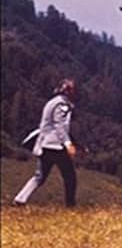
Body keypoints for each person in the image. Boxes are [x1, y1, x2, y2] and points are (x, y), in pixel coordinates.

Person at [14, 79, 79, 207]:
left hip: (44, 145)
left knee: (40, 176)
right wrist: (68, 144)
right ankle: (70, 205)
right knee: (70, 176)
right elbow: (60, 126)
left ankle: (20, 199)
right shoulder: (62, 105)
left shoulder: (51, 102)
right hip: (56, 146)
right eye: (72, 89)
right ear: (67, 91)